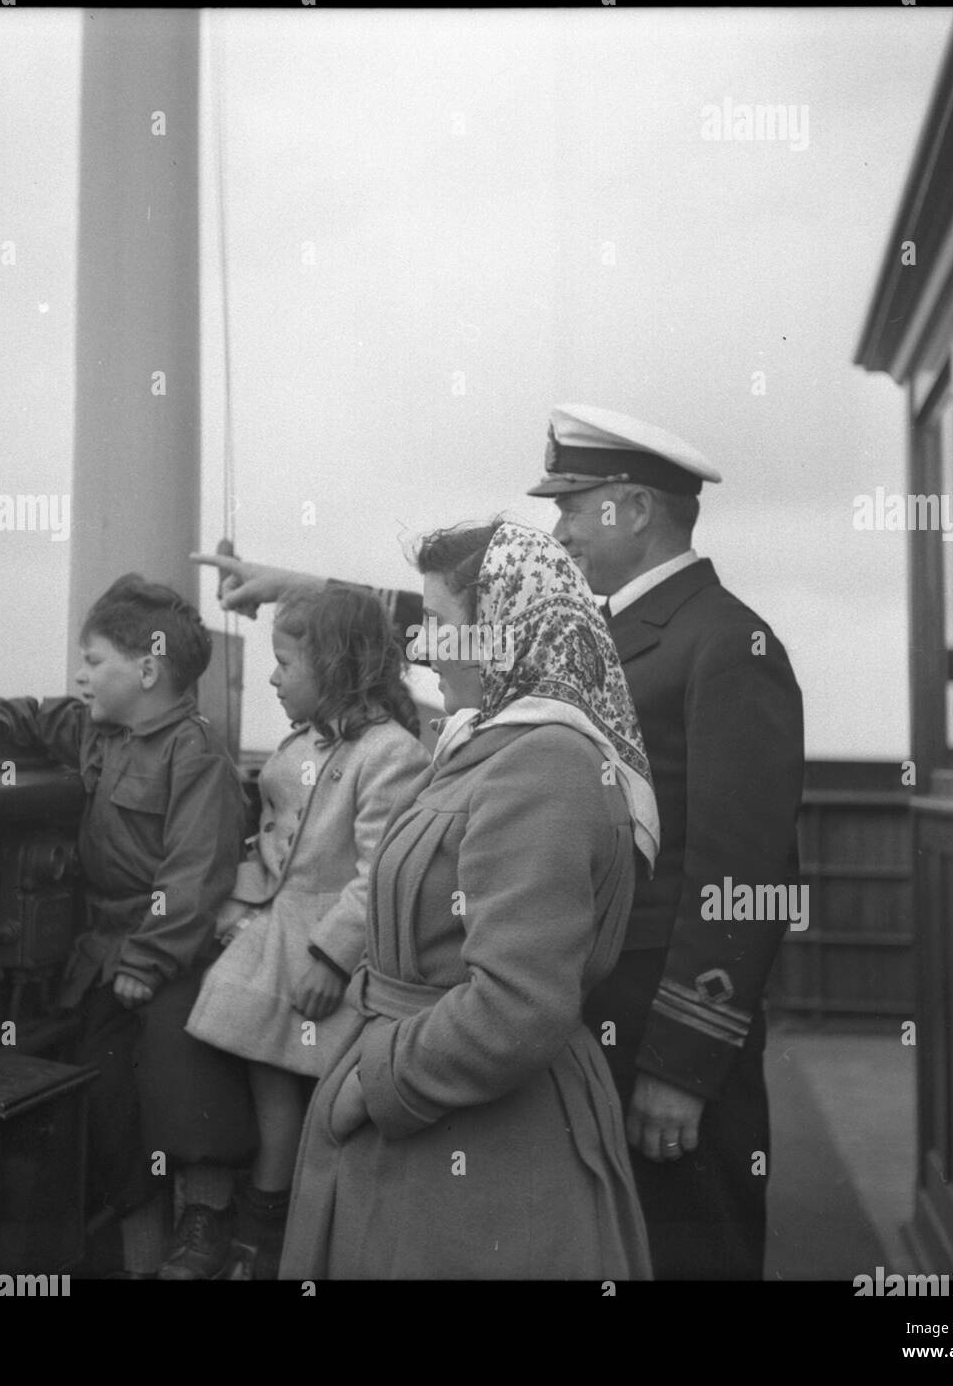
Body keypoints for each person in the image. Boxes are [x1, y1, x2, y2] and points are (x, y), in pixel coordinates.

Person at [194, 401, 805, 1280]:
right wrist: (295, 583)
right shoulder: (575, 635)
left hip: (646, 1038)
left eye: (572, 506)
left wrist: (684, 1064)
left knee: (684, 1251)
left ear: (632, 508)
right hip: (551, 1027)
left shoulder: (724, 644)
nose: (558, 530)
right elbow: (456, 622)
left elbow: (742, 873)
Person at [278, 520, 658, 1278]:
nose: (422, 651)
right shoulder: (481, 744)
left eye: (443, 628)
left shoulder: (544, 762)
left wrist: (369, 1084)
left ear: (510, 632)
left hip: (479, 1152)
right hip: (436, 1117)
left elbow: (518, 1006)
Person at [0, 574, 256, 1279]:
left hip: (175, 949)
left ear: (146, 670)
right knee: (110, 1109)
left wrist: (147, 960)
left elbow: (194, 874)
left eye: (94, 662)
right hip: (102, 951)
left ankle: (208, 1215)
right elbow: (24, 711)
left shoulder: (194, 755)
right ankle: (142, 1251)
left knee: (183, 1075)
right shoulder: (92, 727)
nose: (79, 677)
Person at [184, 585, 429, 1279]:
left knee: (309, 1105)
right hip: (272, 932)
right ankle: (254, 1226)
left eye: (285, 663)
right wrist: (239, 906)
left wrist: (331, 957)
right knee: (260, 1090)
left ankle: (280, 1239)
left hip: (327, 955)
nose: (272, 677)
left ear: (337, 666)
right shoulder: (301, 745)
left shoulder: (390, 755)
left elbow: (379, 873)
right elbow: (272, 845)